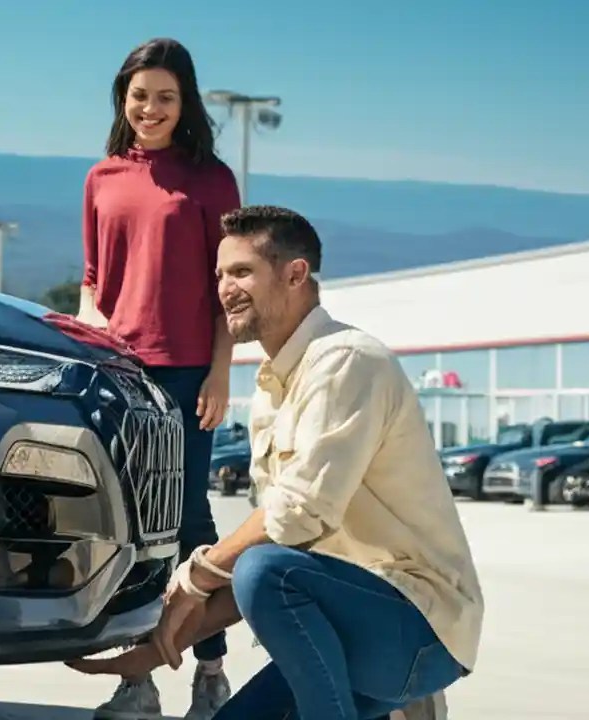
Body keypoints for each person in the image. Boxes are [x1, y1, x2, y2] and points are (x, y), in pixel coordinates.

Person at [68, 205, 485, 720]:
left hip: (414, 623)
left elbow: (294, 521)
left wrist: (198, 574)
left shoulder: (346, 362)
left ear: (295, 274)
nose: (224, 288)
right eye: (219, 274)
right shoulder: (271, 385)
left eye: (242, 272)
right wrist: (158, 647)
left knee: (265, 569)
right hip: (338, 628)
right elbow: (283, 550)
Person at [76, 36, 242, 720]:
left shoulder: (212, 179)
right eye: (139, 96)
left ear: (185, 104)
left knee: (189, 522)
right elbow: (91, 281)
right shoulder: (102, 176)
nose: (150, 108)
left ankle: (211, 674)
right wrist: (94, 329)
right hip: (118, 374)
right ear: (124, 99)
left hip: (186, 372)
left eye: (165, 98)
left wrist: (222, 372)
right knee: (124, 526)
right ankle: (137, 684)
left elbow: (232, 285)